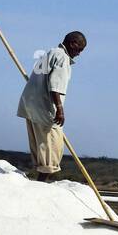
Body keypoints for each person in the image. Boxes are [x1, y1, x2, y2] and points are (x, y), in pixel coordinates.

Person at [17, 32, 87, 181]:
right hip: (44, 109)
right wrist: (60, 110)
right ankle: (41, 184)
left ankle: (39, 182)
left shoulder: (50, 53)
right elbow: (55, 86)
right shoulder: (62, 57)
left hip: (30, 106)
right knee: (52, 150)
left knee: (41, 148)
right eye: (79, 49)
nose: (79, 54)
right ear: (72, 43)